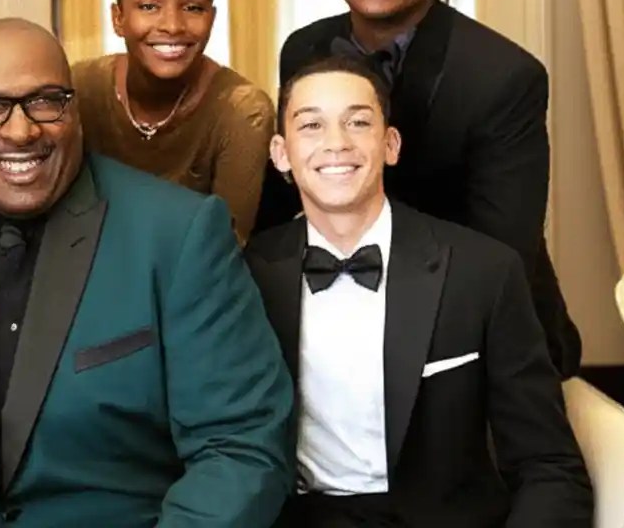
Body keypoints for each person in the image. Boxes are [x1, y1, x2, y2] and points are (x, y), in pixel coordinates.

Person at [0, 18, 293, 526]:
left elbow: (240, 446)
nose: (21, 130)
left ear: (75, 111)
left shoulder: (178, 235)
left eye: (46, 101)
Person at [256, 0, 582, 378]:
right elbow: (283, 193)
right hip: (343, 308)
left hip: (478, 333)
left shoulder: (503, 75)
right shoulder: (304, 48)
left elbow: (504, 249)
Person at [246, 57, 592, 527]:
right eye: (312, 125)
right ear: (281, 153)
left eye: (358, 122)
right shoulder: (246, 276)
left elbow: (549, 466)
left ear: (390, 144)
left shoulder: (482, 272)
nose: (336, 144)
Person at [73, 0, 274, 242]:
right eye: (149, 6)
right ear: (118, 17)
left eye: (193, 7)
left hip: (193, 286)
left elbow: (223, 248)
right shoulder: (80, 90)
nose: (172, 26)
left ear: (211, 17)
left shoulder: (242, 112)